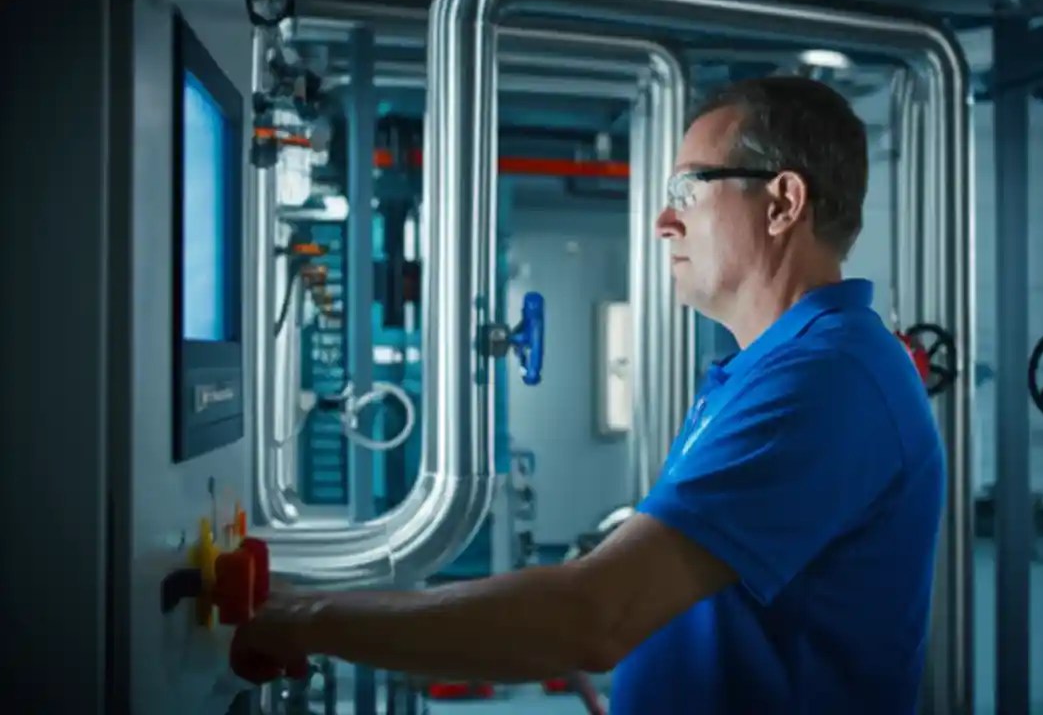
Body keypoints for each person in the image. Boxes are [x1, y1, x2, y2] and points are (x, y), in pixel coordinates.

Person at [236, 76, 946, 714]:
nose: (665, 222)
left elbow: (593, 619)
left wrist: (306, 617)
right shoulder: (773, 368)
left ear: (783, 203)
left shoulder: (824, 380)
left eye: (687, 192)